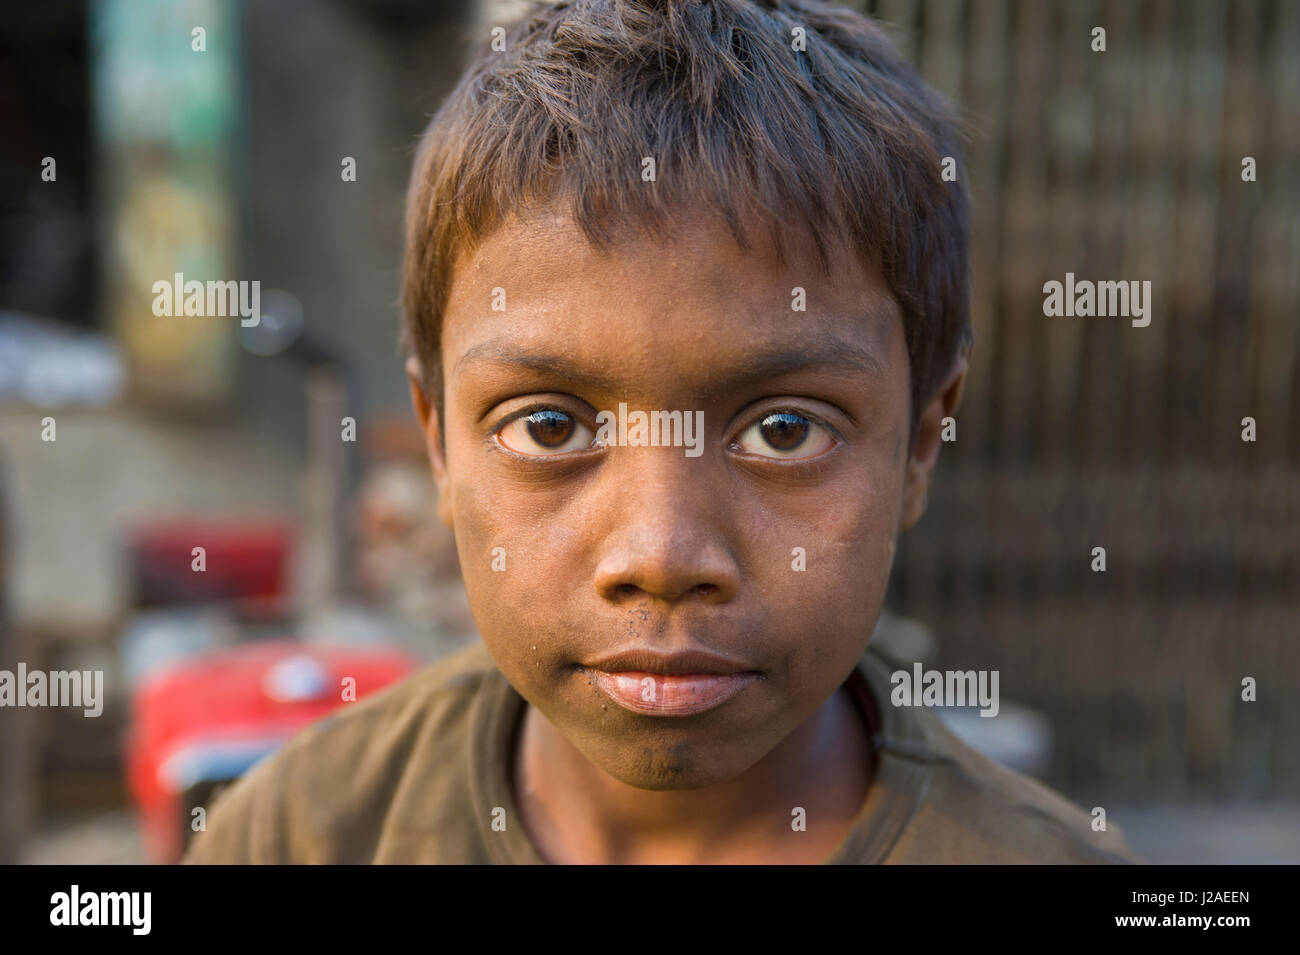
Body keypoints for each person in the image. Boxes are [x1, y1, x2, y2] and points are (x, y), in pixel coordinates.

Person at [186, 0, 1139, 864]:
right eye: (550, 425)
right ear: (438, 442)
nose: (662, 554)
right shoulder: (299, 834)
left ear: (921, 445)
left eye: (783, 432)